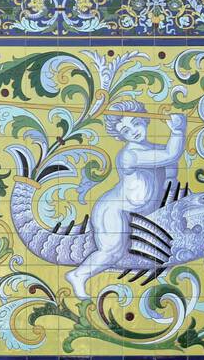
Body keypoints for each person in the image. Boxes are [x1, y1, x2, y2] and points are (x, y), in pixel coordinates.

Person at [68, 100, 187, 298]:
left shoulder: (154, 149)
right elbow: (171, 155)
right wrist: (178, 130)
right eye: (125, 129)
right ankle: (78, 275)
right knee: (113, 250)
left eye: (135, 122)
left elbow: (169, 175)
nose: (132, 131)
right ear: (120, 136)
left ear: (146, 119)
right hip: (113, 210)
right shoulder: (130, 156)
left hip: (139, 212)